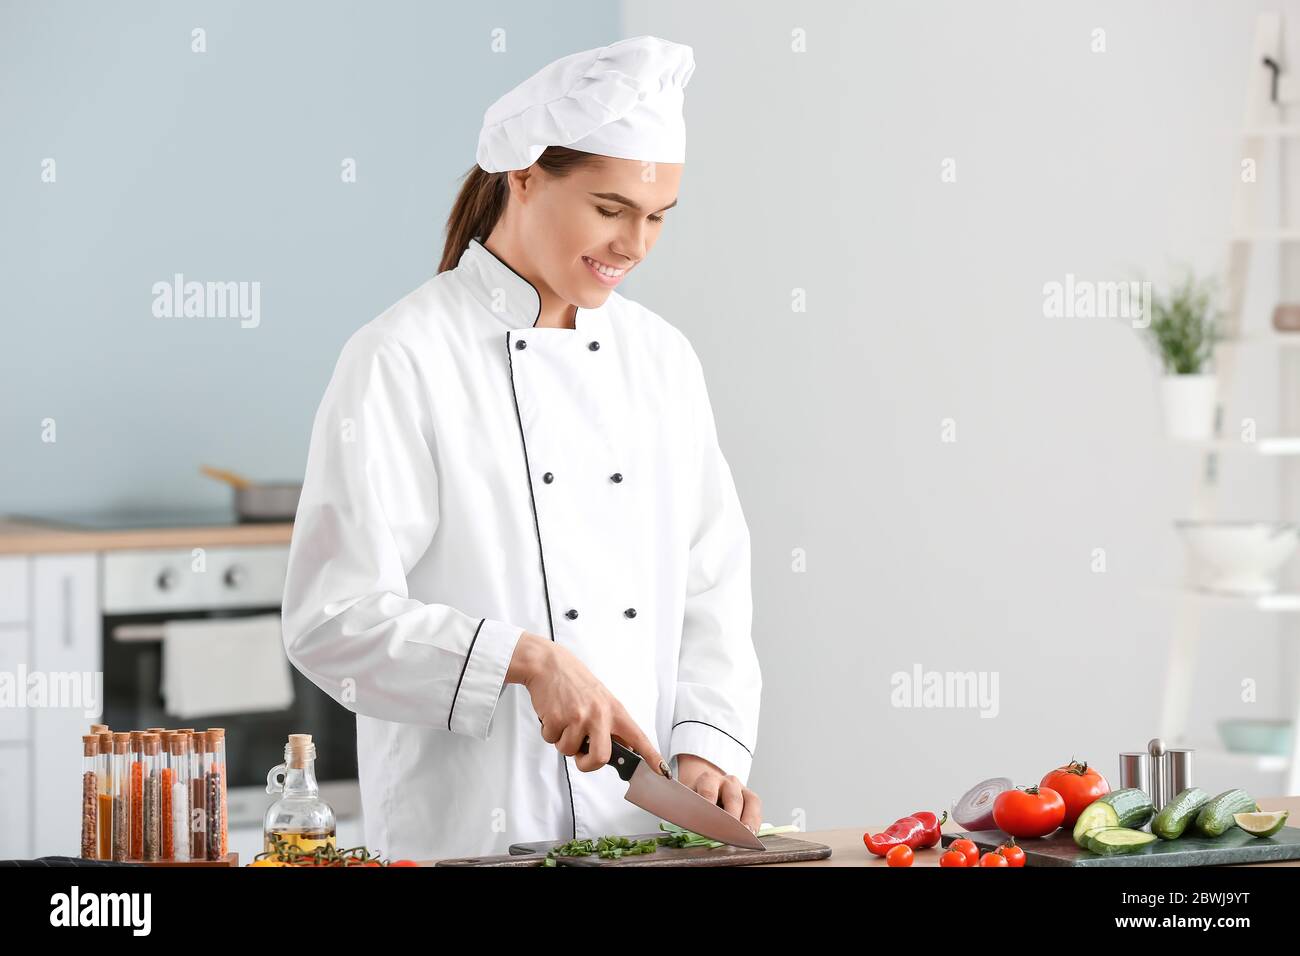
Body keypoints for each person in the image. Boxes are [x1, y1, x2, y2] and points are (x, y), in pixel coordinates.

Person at [281, 34, 762, 861]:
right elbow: (331, 619)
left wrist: (708, 747)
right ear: (526, 175)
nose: (634, 245)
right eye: (610, 210)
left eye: (656, 219)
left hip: (645, 831)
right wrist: (523, 658)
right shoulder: (402, 357)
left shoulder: (663, 359)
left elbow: (711, 583)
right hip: (467, 824)